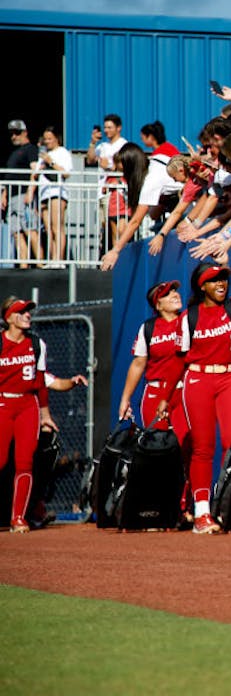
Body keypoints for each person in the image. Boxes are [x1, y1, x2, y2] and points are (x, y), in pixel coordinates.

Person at [158, 240, 231, 534]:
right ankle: (201, 513)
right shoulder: (189, 317)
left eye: (223, 278)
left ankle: (228, 506)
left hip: (229, 379)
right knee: (202, 448)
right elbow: (177, 362)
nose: (221, 283)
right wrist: (165, 398)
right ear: (202, 286)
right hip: (198, 380)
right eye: (214, 280)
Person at [0, 297, 57, 533]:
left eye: (28, 312)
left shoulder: (36, 343)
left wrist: (45, 415)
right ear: (9, 318)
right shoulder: (1, 342)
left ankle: (18, 518)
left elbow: (40, 382)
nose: (27, 315)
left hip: (27, 405)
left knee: (25, 462)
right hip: (3, 402)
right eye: (21, 312)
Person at [117, 280, 187, 432]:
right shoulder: (148, 328)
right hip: (155, 394)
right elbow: (138, 364)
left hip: (183, 391)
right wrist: (125, 399)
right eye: (167, 294)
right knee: (156, 442)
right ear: (158, 305)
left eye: (175, 291)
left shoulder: (188, 321)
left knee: (186, 443)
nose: (175, 295)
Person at [88, 114, 130, 251]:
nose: (106, 130)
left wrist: (110, 167)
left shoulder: (124, 145)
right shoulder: (102, 146)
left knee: (115, 226)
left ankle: (117, 254)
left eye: (110, 127)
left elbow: (127, 168)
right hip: (102, 190)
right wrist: (93, 143)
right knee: (104, 225)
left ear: (118, 128)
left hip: (116, 191)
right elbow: (90, 160)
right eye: (105, 127)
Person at [5, 120, 41, 267]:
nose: (14, 136)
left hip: (23, 195)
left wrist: (30, 191)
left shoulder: (30, 149)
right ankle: (23, 265)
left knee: (30, 229)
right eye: (12, 133)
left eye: (17, 133)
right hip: (12, 197)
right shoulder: (13, 153)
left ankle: (40, 264)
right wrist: (4, 195)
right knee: (16, 232)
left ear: (25, 132)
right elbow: (8, 177)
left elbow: (35, 171)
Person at [35, 126, 73, 265]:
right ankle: (52, 259)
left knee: (57, 226)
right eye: (45, 139)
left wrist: (50, 162)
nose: (47, 141)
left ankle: (59, 259)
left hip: (57, 192)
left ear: (57, 138)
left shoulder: (63, 152)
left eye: (50, 138)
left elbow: (66, 173)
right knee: (48, 229)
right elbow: (36, 174)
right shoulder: (44, 155)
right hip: (44, 193)